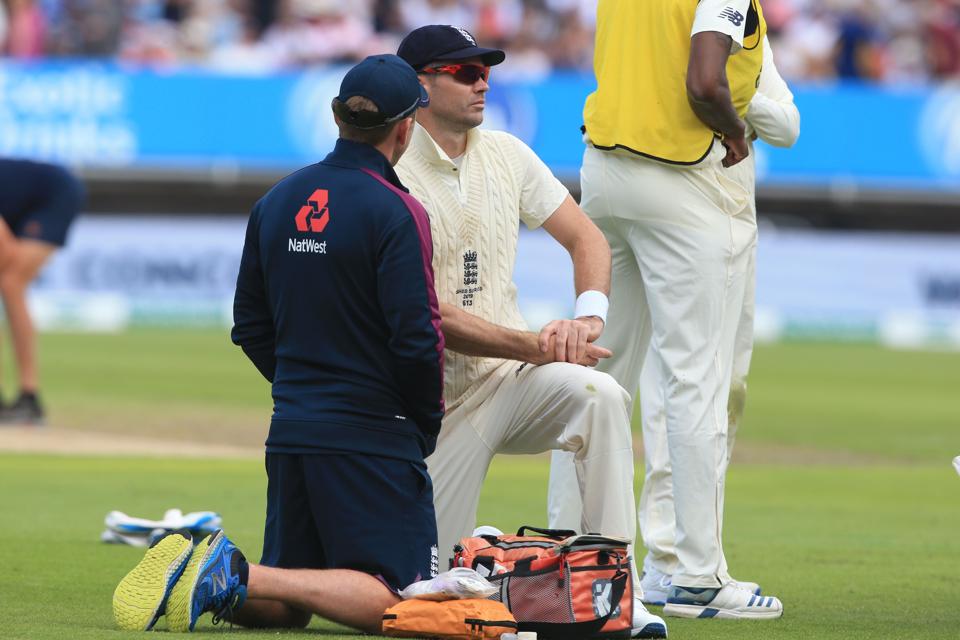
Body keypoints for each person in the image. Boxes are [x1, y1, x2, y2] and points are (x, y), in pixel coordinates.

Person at [112, 54, 444, 634]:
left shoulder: (276, 200)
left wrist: (300, 388)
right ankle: (236, 568)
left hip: (293, 427)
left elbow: (250, 325)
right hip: (373, 430)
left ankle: (206, 579)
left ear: (337, 115)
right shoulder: (398, 210)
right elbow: (418, 338)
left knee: (291, 608)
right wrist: (423, 417)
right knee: (407, 601)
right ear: (406, 128)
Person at [393, 25, 666, 638]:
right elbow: (430, 315)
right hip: (426, 414)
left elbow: (586, 237)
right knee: (416, 603)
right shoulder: (392, 167)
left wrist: (588, 316)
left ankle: (618, 592)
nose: (482, 80)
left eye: (485, 69)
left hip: (508, 386)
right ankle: (488, 550)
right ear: (419, 83)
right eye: (463, 72)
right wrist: (538, 344)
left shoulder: (508, 153)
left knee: (600, 397)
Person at [547, 0, 787, 620]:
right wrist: (734, 131)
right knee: (696, 379)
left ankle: (568, 555)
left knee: (591, 374)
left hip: (604, 171)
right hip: (683, 179)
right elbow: (705, 80)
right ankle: (692, 573)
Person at [0, 159, 84, 425]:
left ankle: (29, 399)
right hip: (20, 204)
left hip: (55, 193)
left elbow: (7, 253)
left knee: (11, 282)